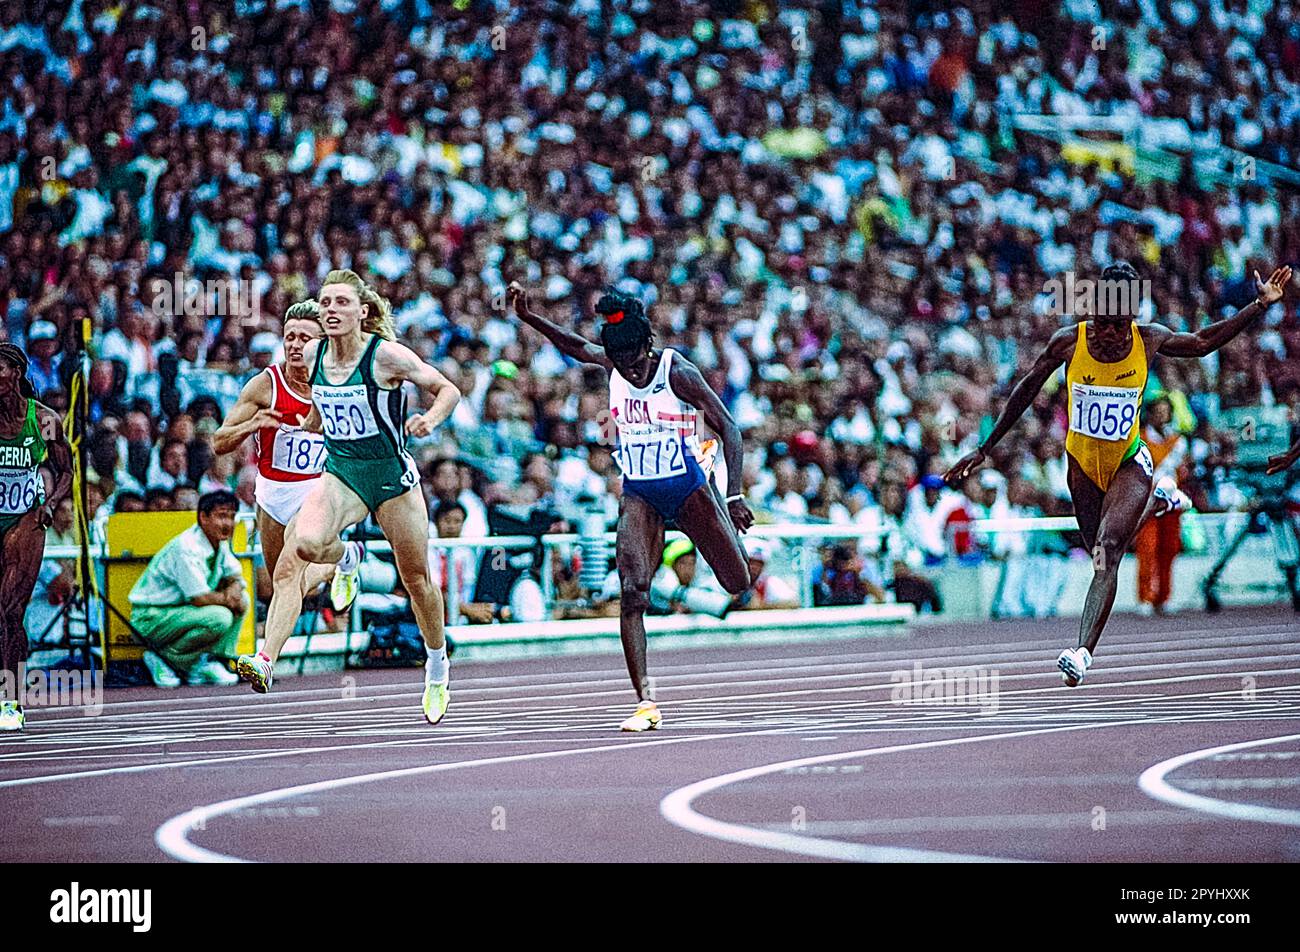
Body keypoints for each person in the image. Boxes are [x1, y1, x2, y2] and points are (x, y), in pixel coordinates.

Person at [946, 262, 1292, 685]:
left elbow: (1202, 342)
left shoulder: (1148, 339)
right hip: (1081, 466)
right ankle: (1161, 500)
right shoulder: (1069, 343)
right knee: (1099, 552)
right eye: (1102, 323)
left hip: (1129, 460)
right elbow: (1026, 389)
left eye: (1118, 325)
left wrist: (1258, 305)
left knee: (1107, 551)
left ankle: (1081, 654)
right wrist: (984, 448)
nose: (1109, 333)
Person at [508, 281, 752, 731]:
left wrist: (733, 495)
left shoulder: (677, 372)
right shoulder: (614, 361)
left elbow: (729, 429)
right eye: (618, 360)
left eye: (634, 359)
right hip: (640, 490)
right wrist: (528, 316)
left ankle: (713, 528)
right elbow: (576, 344)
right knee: (632, 592)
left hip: (690, 486)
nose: (628, 370)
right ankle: (644, 701)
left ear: (647, 344)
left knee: (736, 581)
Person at [237, 270, 460, 725]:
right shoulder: (316, 354)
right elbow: (322, 405)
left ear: (362, 311)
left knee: (417, 579)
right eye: (325, 303)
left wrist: (430, 421)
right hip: (342, 471)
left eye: (341, 302)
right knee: (303, 546)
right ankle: (347, 558)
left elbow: (447, 389)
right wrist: (309, 425)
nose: (331, 310)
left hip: (389, 476)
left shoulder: (386, 357)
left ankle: (437, 668)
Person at [211, 300, 361, 610]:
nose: (294, 345)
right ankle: (344, 558)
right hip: (273, 491)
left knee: (290, 577)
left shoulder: (340, 383)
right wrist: (252, 424)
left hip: (317, 489)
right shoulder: (265, 385)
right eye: (289, 336)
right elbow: (218, 442)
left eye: (304, 338)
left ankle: (266, 657)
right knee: (276, 582)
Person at [0, 343, 73, 731]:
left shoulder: (43, 420)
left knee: (10, 610)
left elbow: (65, 471)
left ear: (16, 373)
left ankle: (9, 701)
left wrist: (50, 504)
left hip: (26, 516)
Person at [126, 490, 246, 689]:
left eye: (232, 517)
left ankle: (212, 661)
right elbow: (199, 598)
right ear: (203, 517)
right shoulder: (187, 546)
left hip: (179, 614)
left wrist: (234, 588)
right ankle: (164, 660)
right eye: (221, 516)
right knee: (220, 617)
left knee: (244, 601)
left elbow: (235, 575)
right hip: (150, 617)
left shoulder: (219, 543)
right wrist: (229, 597)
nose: (228, 523)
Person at [1135, 395, 1190, 615]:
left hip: (1171, 500)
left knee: (1169, 548)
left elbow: (1182, 471)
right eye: (1158, 411)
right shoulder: (1140, 438)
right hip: (1148, 500)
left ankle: (1164, 596)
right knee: (1147, 547)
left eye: (1165, 411)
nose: (1162, 415)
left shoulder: (1177, 441)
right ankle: (1145, 597)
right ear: (1150, 414)